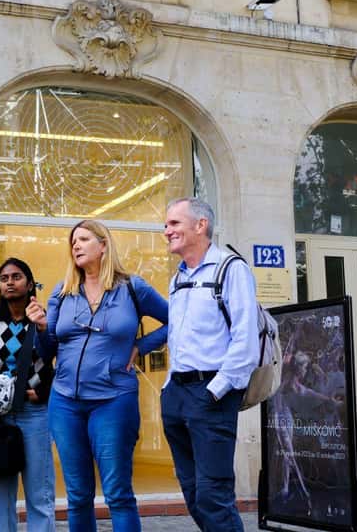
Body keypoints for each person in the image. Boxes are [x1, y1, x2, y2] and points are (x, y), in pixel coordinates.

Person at [26, 219, 168, 532]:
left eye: (84, 239)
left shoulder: (133, 288)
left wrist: (141, 346)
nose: (75, 245)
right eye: (73, 241)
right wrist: (41, 327)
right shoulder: (62, 292)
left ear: (103, 245)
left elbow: (175, 320)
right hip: (65, 403)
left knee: (118, 494)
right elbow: (48, 349)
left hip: (113, 400)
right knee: (77, 497)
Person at [160, 197, 262, 532]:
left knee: (213, 494)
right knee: (193, 493)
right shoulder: (177, 279)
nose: (167, 231)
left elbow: (245, 341)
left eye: (174, 223)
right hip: (177, 395)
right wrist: (168, 389)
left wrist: (216, 391)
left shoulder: (231, 269)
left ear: (200, 225)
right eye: (166, 225)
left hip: (212, 393)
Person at [0, 258, 56, 532]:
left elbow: (62, 362)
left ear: (30, 284)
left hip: (35, 415)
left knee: (39, 494)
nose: (9, 282)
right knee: (0, 498)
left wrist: (42, 392)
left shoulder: (44, 323)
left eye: (16, 277)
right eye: (4, 278)